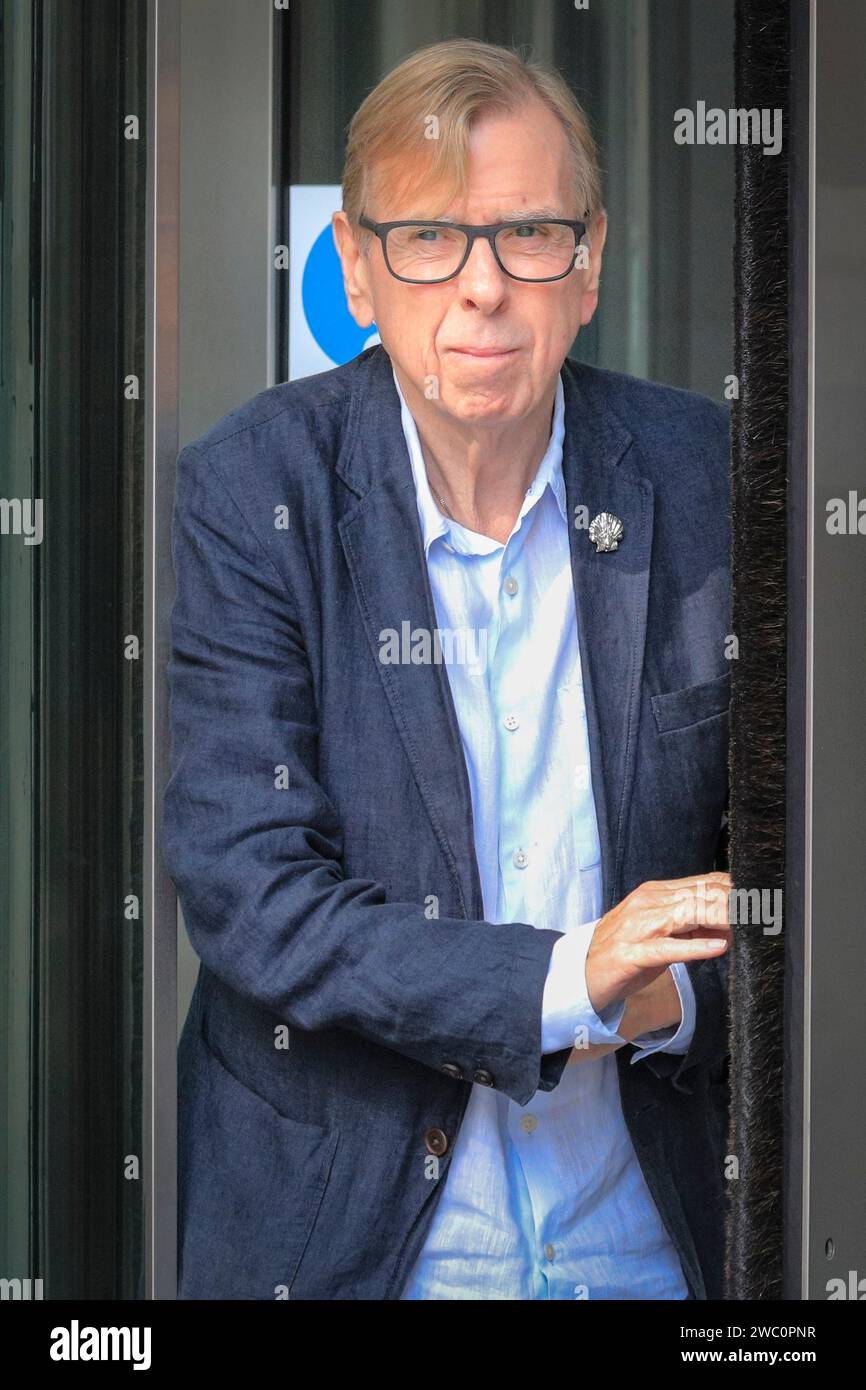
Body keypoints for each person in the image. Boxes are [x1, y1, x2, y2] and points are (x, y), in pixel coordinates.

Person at [163, 37, 733, 1301]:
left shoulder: (711, 480)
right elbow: (250, 889)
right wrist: (560, 983)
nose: (481, 288)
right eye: (428, 237)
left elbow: (809, 877)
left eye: (528, 233)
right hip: (357, 1244)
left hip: (650, 1244)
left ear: (588, 264)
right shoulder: (253, 493)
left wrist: (671, 1002)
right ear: (359, 271)